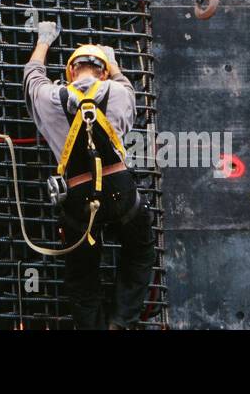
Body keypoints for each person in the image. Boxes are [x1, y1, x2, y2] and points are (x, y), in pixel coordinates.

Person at [24, 20, 156, 330]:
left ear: (70, 72)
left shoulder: (49, 98)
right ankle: (121, 322)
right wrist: (113, 63)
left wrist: (44, 40)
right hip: (120, 192)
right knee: (139, 252)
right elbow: (125, 85)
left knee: (82, 275)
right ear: (105, 71)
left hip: (78, 200)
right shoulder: (119, 93)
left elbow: (32, 75)